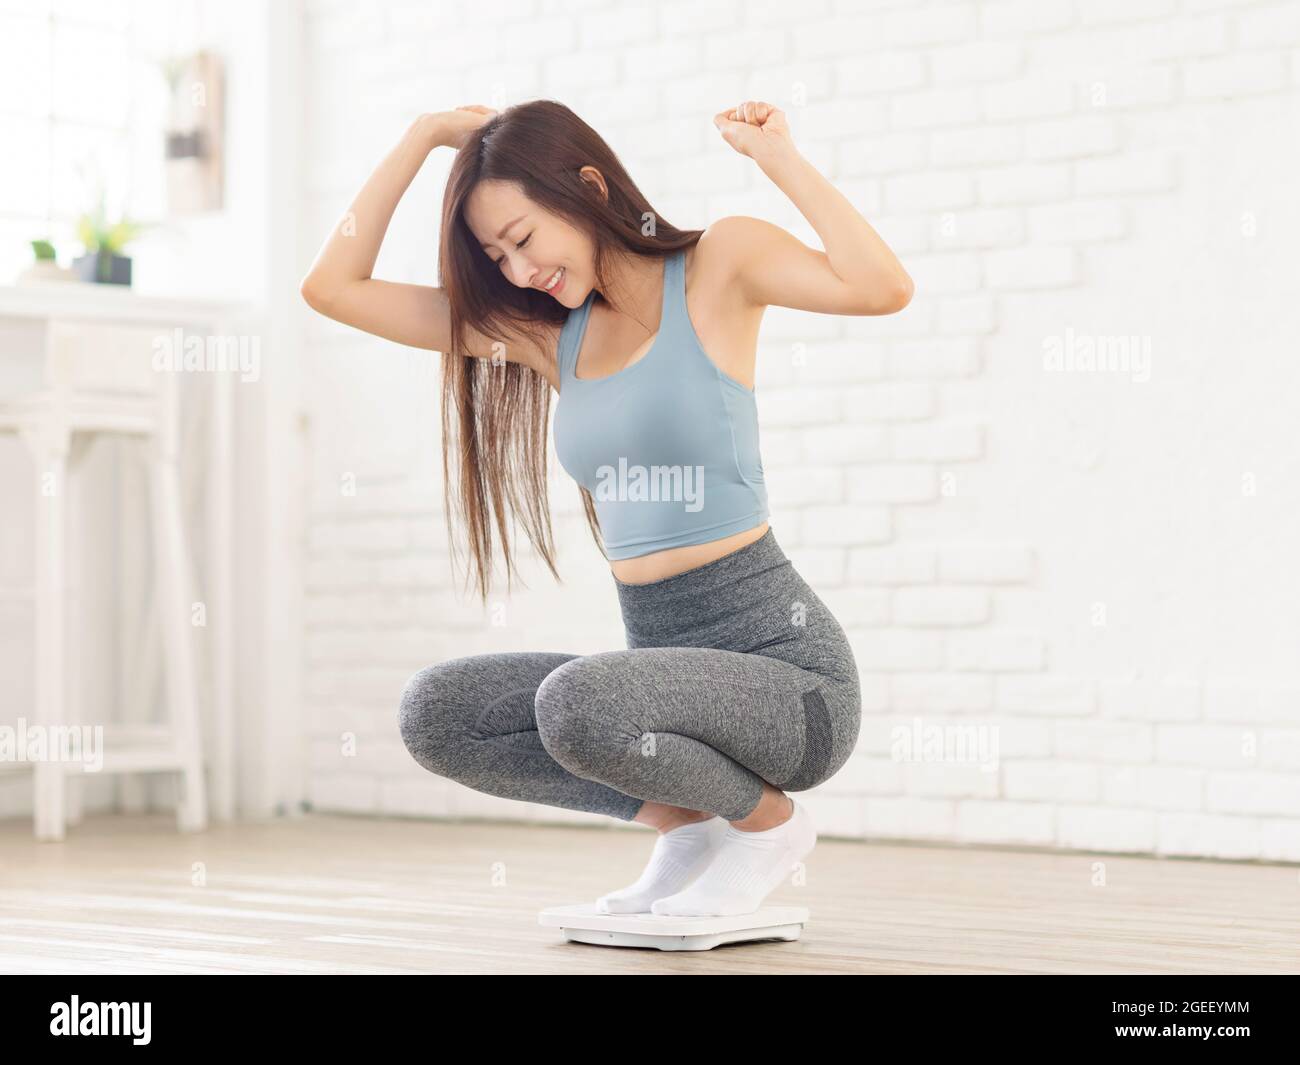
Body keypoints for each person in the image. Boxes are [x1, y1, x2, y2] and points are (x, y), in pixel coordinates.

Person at [300, 99, 913, 917]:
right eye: (496, 255)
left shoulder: (720, 265)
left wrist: (781, 161)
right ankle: (687, 823)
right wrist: (421, 138)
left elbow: (884, 287)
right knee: (439, 713)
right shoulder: (550, 337)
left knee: (580, 702)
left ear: (586, 186)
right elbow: (332, 288)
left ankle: (769, 825)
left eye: (522, 239)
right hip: (654, 682)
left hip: (793, 686)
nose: (517, 273)